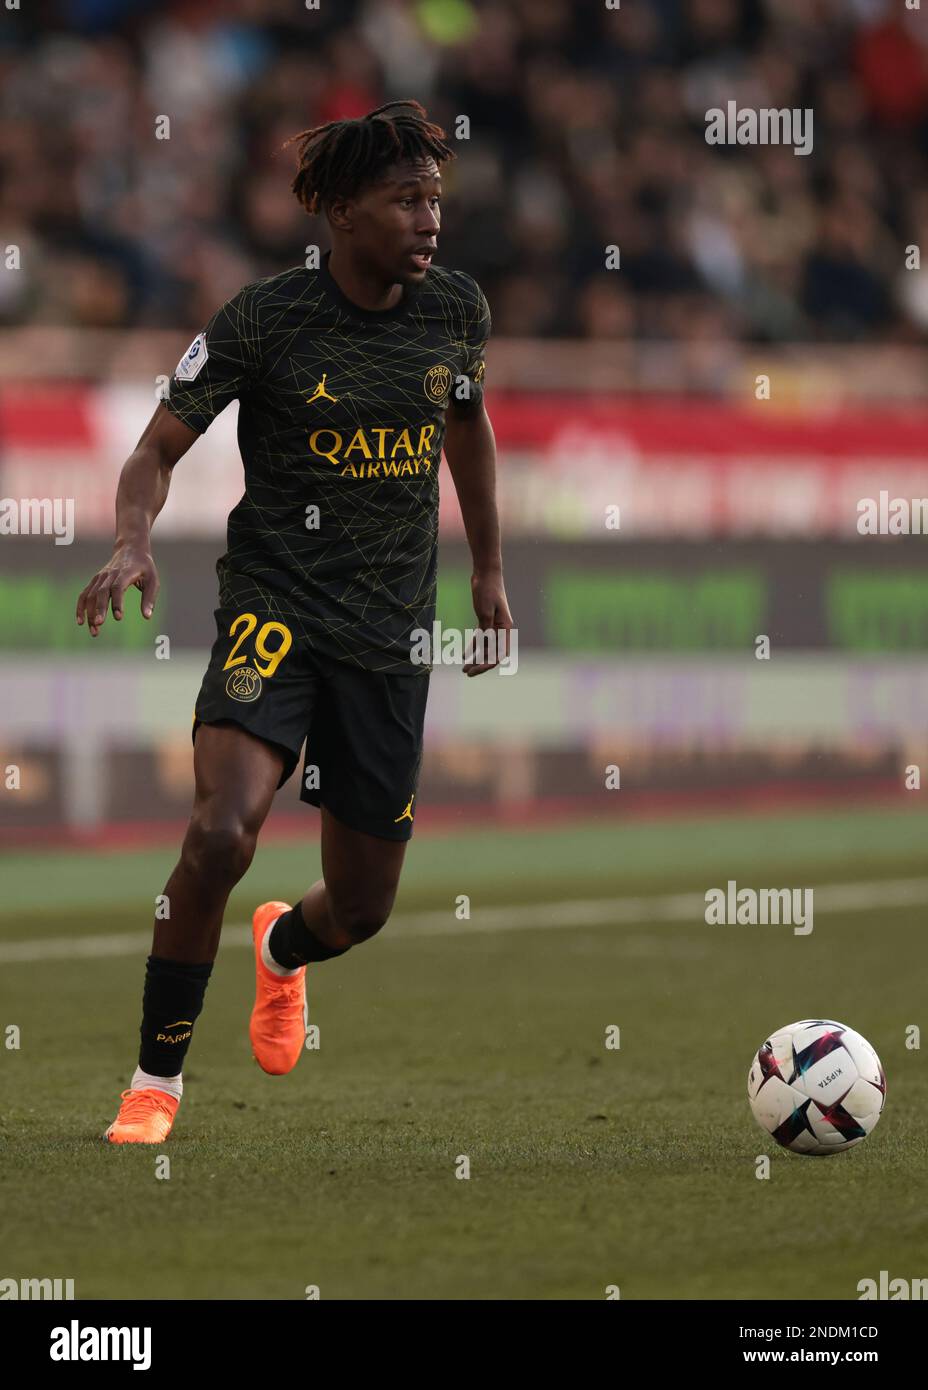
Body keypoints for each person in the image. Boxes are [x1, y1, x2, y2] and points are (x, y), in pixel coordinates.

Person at [75, 100, 513, 1144]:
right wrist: (132, 539)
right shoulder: (263, 320)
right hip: (273, 611)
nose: (429, 220)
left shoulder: (454, 310)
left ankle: (281, 952)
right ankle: (156, 1082)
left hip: (388, 635)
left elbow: (469, 433)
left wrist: (490, 569)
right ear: (342, 211)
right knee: (221, 831)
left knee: (359, 909)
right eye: (406, 201)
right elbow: (153, 452)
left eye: (435, 200)